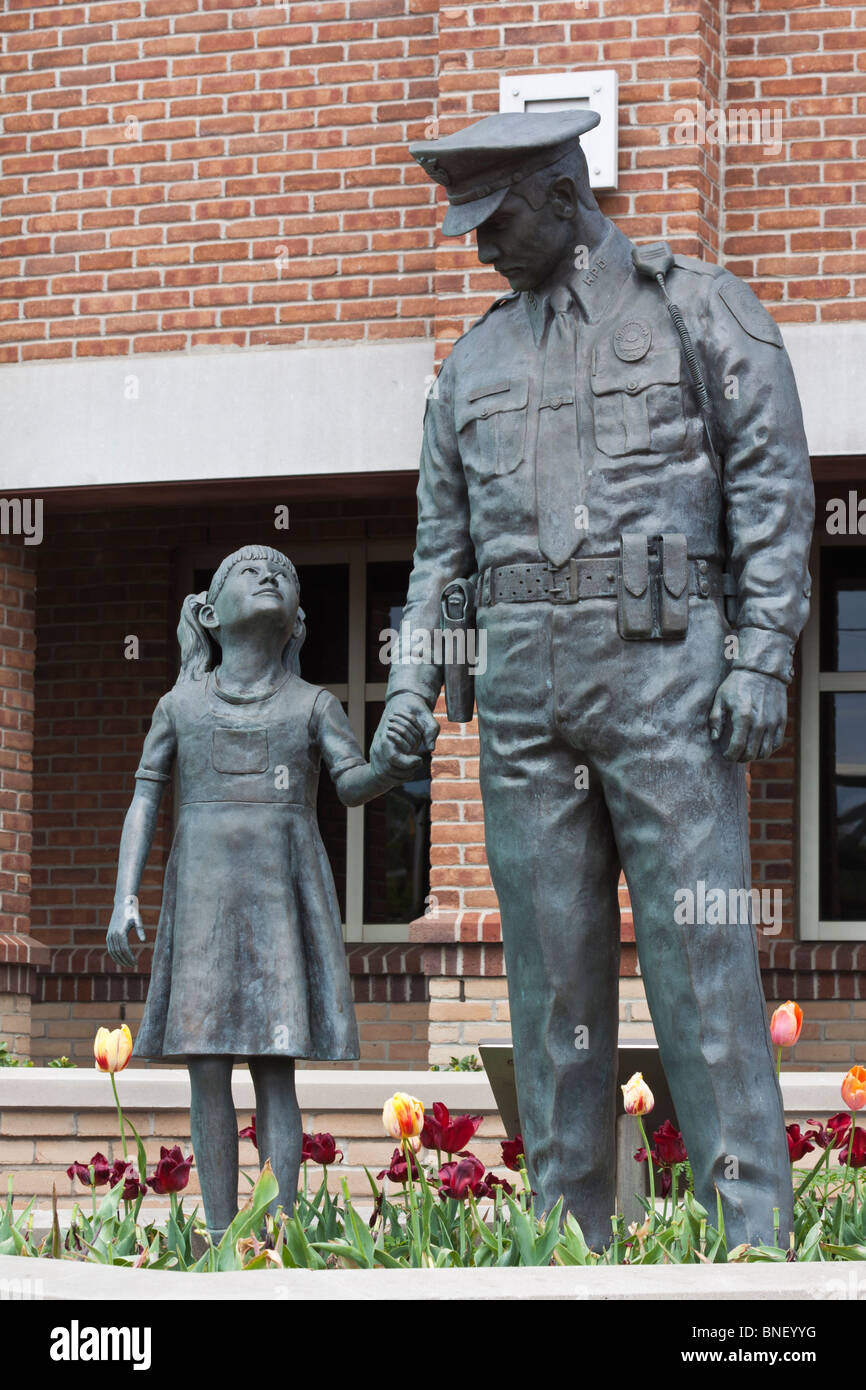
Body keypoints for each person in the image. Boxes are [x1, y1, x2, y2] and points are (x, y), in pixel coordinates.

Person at [370, 111, 815, 1250]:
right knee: (548, 988)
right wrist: (414, 689)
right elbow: (437, 559)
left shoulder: (698, 310)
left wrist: (763, 652)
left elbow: (771, 492)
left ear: (565, 196)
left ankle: (750, 1247)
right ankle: (564, 1245)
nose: (476, 245)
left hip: (668, 676)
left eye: (496, 217)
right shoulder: (466, 364)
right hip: (521, 695)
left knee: (700, 962)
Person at [106, 544, 421, 1239]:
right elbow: (144, 799)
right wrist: (125, 895)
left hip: (281, 896)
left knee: (276, 1068)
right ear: (211, 615)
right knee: (208, 1064)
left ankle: (279, 1235)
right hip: (202, 904)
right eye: (249, 571)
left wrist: (390, 766)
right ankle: (222, 1233)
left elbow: (353, 784)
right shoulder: (179, 706)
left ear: (296, 621)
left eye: (282, 572)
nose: (269, 575)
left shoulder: (313, 704)